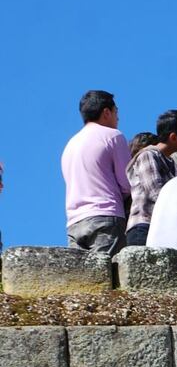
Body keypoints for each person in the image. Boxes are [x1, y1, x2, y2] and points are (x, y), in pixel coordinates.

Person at [60, 89, 131, 255]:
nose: (118, 117)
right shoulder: (113, 136)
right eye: (116, 112)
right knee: (108, 277)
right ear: (106, 112)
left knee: (81, 278)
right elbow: (127, 183)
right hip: (106, 216)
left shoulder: (70, 144)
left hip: (74, 221)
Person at [124, 110, 177, 247]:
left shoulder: (175, 166)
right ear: (174, 137)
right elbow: (156, 192)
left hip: (162, 228)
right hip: (143, 226)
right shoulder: (148, 155)